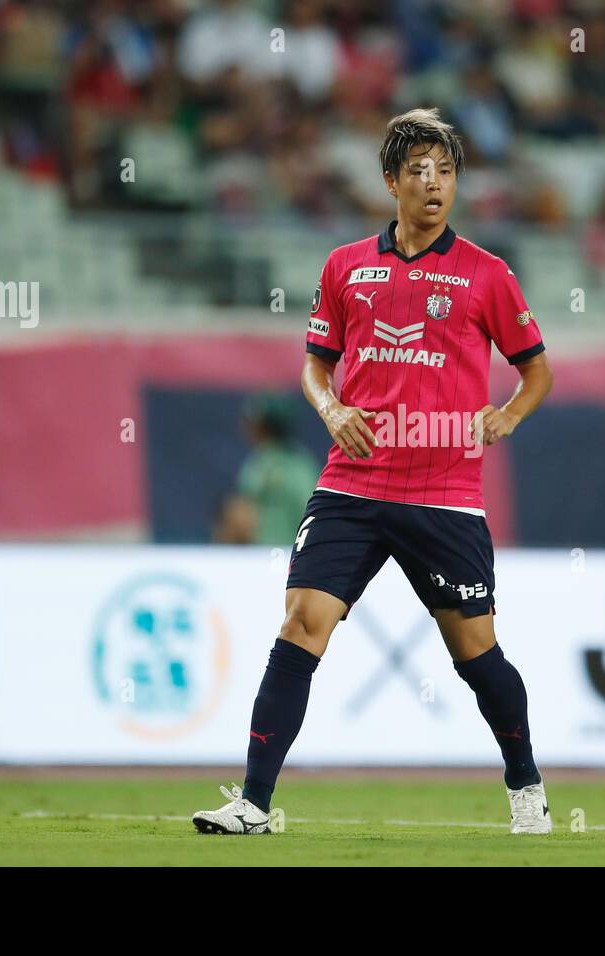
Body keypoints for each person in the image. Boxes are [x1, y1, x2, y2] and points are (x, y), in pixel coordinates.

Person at [192, 108, 555, 836]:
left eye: (446, 172)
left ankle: (527, 788)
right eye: (419, 171)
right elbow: (315, 365)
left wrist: (509, 416)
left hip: (444, 494)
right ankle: (254, 805)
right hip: (350, 485)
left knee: (474, 651)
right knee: (301, 624)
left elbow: (535, 370)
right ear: (389, 181)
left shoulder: (487, 274)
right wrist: (329, 409)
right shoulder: (345, 266)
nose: (434, 184)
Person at [215, 393, 320, 547]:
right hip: (297, 555)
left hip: (266, 558)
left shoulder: (260, 464)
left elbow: (242, 520)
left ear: (262, 427)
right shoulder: (304, 463)